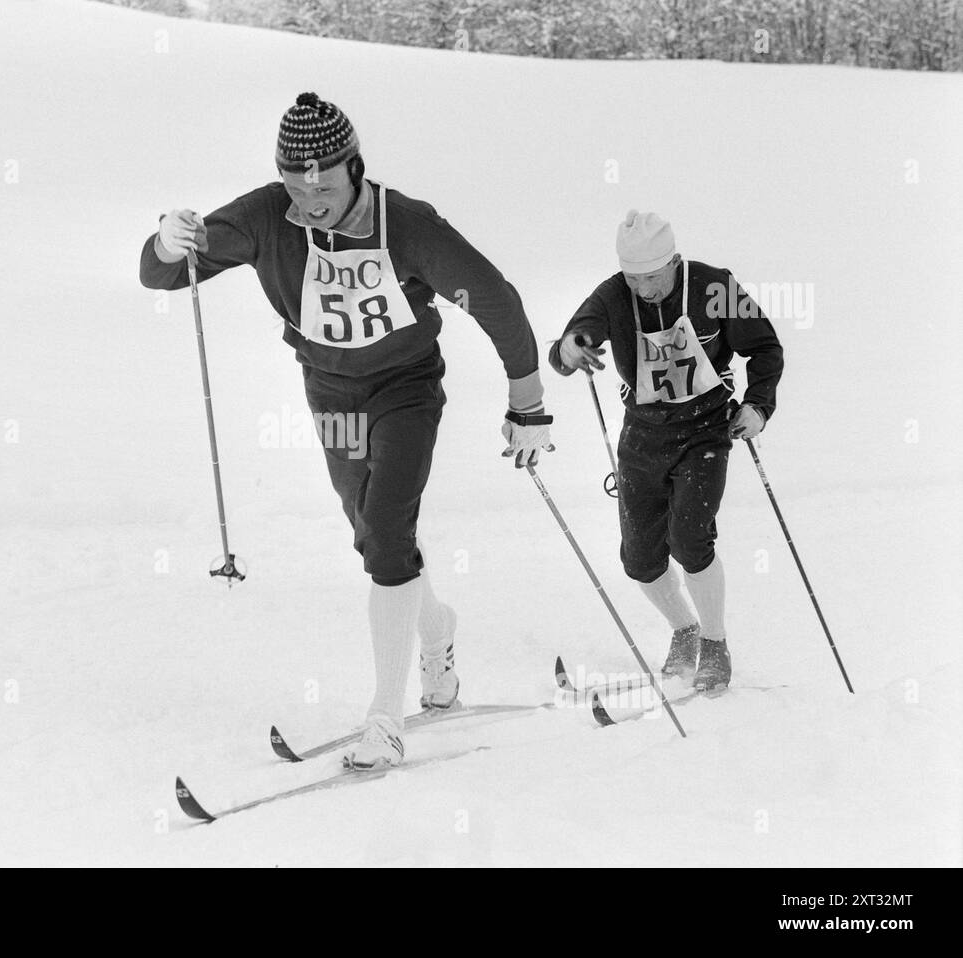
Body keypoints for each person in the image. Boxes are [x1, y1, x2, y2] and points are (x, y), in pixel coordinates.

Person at [140, 92, 552, 768]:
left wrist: (527, 402)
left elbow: (496, 299)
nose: (309, 197)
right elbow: (165, 274)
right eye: (294, 183)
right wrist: (166, 241)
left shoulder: (406, 225)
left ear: (354, 166)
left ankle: (385, 718)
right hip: (330, 393)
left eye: (324, 182)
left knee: (389, 529)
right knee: (375, 537)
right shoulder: (267, 215)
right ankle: (437, 629)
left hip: (404, 388)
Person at [548, 211, 783, 690]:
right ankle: (684, 630)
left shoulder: (714, 287)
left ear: (674, 261)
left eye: (653, 278)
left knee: (691, 538)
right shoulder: (615, 294)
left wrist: (758, 406)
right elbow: (572, 340)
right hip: (644, 434)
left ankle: (714, 643)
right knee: (639, 559)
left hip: (706, 432)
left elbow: (765, 349)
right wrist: (570, 349)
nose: (644, 289)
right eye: (635, 279)